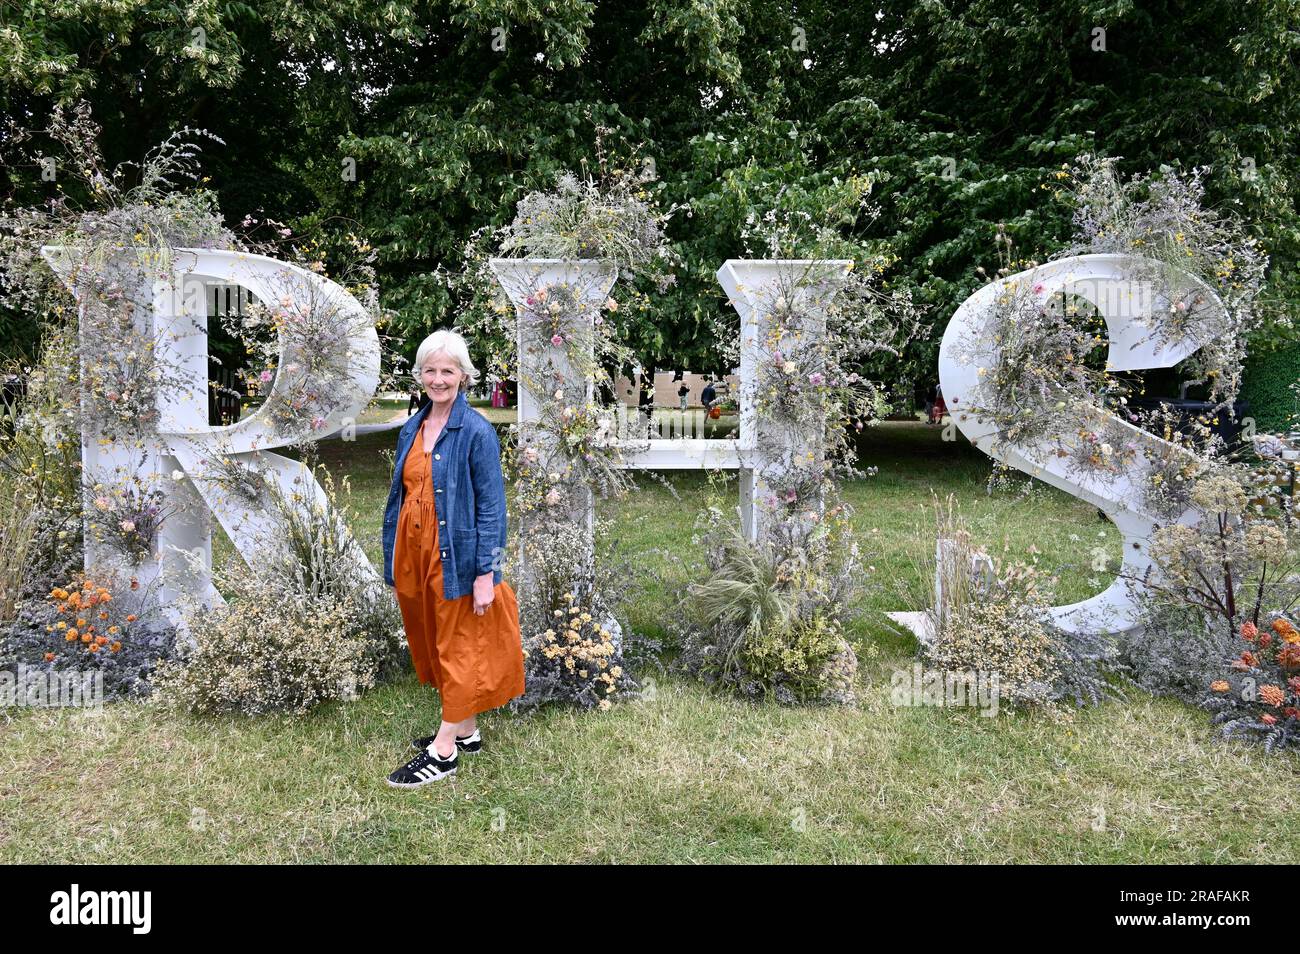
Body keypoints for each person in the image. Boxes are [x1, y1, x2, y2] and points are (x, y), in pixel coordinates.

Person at [380, 329, 525, 788]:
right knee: (430, 635)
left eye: (447, 370)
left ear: (463, 376)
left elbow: (493, 508)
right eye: (430, 370)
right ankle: (466, 730)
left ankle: (443, 752)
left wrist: (488, 572)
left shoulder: (477, 431)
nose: (438, 379)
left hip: (454, 555)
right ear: (420, 374)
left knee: (457, 642)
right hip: (414, 550)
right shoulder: (413, 425)